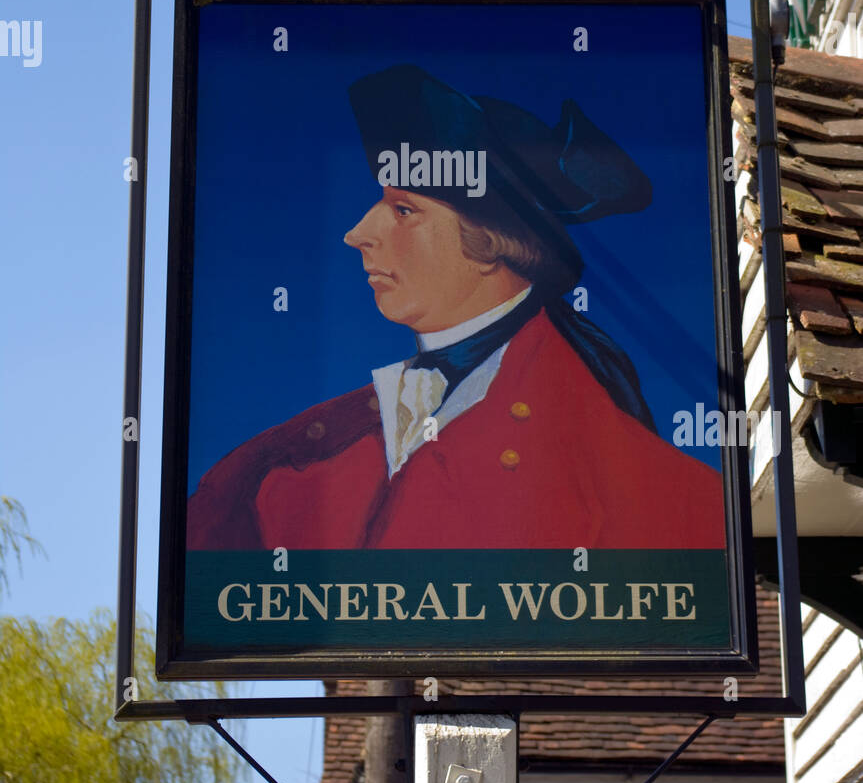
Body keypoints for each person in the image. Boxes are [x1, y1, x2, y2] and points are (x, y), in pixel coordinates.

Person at [187, 65, 725, 551]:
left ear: (492, 242)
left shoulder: (668, 492)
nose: (357, 233)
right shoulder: (273, 466)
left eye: (403, 210)